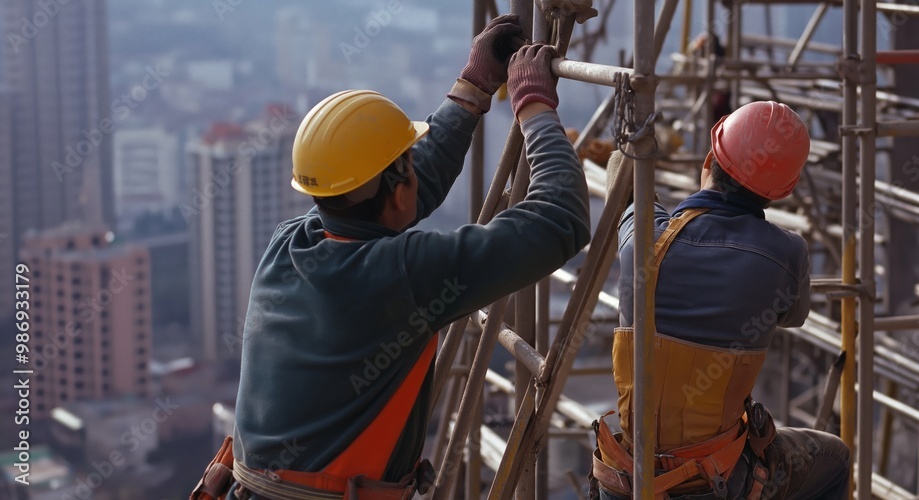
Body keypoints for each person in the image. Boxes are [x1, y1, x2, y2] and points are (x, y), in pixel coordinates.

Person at [189, 15, 593, 500]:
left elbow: (395, 194)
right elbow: (559, 220)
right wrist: (535, 108)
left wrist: (470, 90)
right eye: (406, 167)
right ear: (396, 187)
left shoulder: (291, 243)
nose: (414, 176)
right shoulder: (403, 272)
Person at [592, 101, 850, 499]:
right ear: (783, 191)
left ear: (711, 157)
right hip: (719, 480)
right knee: (834, 458)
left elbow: (621, 179)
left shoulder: (645, 238)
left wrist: (624, 153)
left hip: (627, 478)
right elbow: (794, 316)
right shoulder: (787, 255)